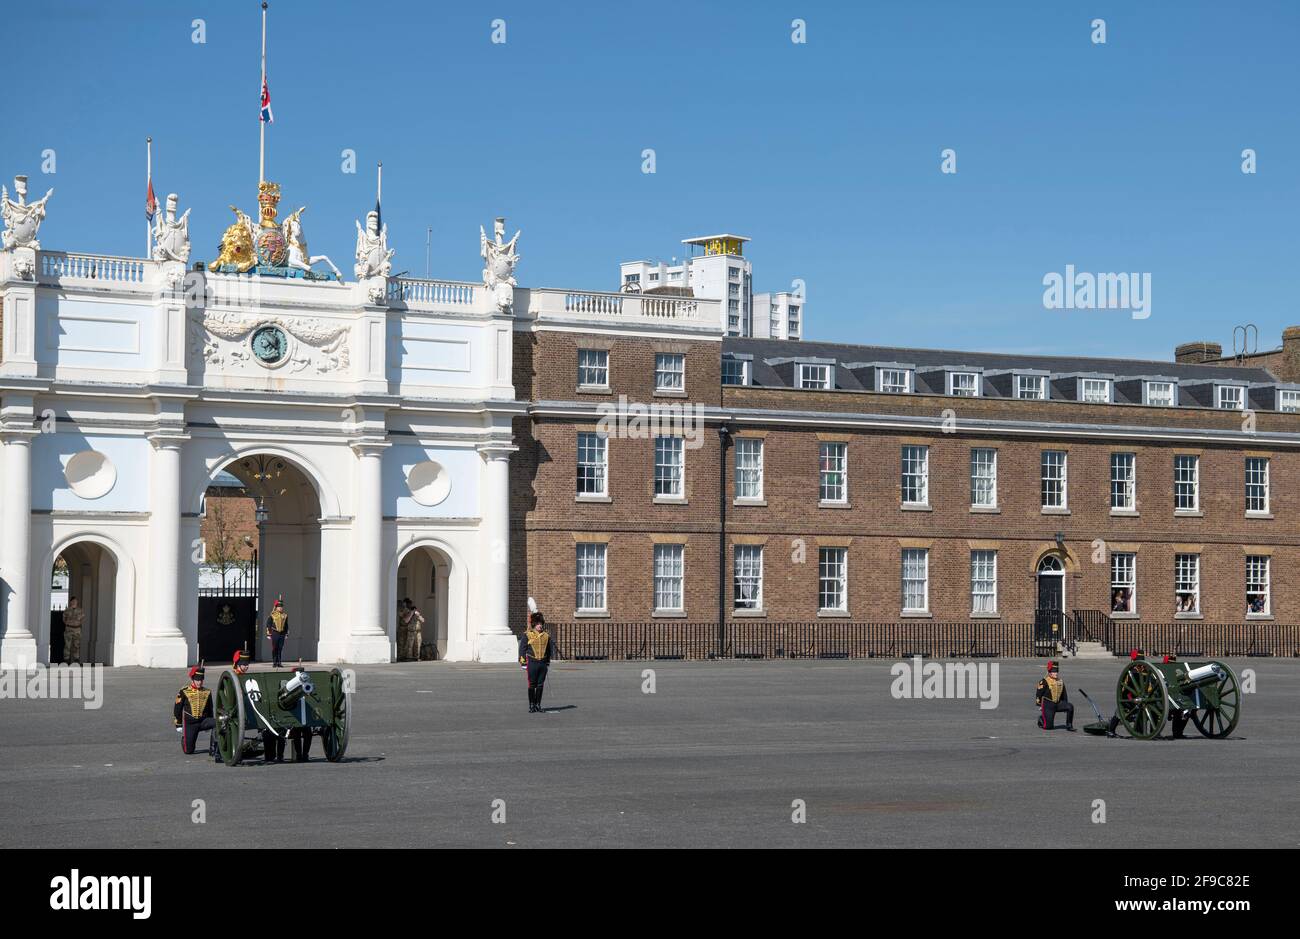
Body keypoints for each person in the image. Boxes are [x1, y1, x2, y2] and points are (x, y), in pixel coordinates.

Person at [173, 665, 219, 760]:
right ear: (193, 679)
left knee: (217, 723)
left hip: (203, 721)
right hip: (190, 724)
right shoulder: (184, 691)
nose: (199, 682)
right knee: (189, 751)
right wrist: (178, 724)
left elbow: (210, 708)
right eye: (197, 680)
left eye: (201, 680)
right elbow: (178, 708)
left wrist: (210, 720)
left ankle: (214, 748)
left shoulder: (207, 692)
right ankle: (185, 740)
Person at [518, 610, 556, 713]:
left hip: (542, 663)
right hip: (532, 663)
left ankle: (538, 705)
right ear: (534, 624)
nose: (540, 625)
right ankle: (531, 705)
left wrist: (547, 662)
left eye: (541, 623)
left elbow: (548, 650)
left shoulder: (546, 636)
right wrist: (523, 662)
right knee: (532, 684)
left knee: (540, 684)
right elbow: (522, 649)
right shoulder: (527, 635)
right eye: (538, 624)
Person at [1035, 660, 1075, 731]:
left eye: (1056, 671)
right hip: (1048, 705)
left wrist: (1065, 703)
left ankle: (1069, 725)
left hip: (1058, 703)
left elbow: (1064, 694)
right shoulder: (1044, 681)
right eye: (1054, 672)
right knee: (1048, 727)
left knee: (1070, 707)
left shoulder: (1060, 681)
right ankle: (1041, 719)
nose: (1056, 673)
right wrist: (1040, 705)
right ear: (1049, 673)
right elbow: (1039, 693)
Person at [61, 597, 85, 664]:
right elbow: (64, 619)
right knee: (67, 645)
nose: (74, 602)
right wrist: (69, 623)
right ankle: (66, 660)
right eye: (73, 601)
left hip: (77, 630)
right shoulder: (67, 610)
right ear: (70, 602)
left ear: (77, 602)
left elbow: (82, 619)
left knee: (76, 646)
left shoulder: (80, 610)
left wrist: (78, 623)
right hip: (69, 629)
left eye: (75, 601)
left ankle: (76, 660)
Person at [266, 599, 288, 668]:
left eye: (281, 606)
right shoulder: (272, 615)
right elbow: (268, 624)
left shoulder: (285, 615)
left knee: (280, 648)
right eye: (279, 606)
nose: (280, 608)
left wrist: (286, 634)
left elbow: (286, 625)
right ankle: (274, 662)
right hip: (275, 633)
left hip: (282, 634)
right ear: (276, 607)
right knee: (274, 648)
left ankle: (279, 662)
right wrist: (268, 634)